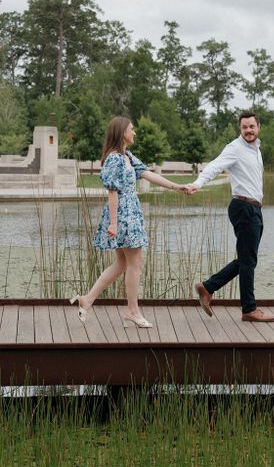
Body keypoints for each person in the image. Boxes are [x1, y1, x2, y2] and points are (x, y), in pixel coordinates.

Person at [70, 116, 188, 328]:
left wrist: (176, 187)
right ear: (121, 132)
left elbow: (148, 174)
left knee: (122, 264)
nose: (134, 133)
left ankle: (87, 299)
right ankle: (132, 311)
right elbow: (112, 192)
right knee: (135, 264)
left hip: (130, 212)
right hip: (124, 215)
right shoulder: (115, 159)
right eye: (131, 129)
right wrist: (114, 223)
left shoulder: (128, 156)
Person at [184, 111, 274, 322]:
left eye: (252, 126)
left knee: (246, 259)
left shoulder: (256, 149)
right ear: (240, 129)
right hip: (243, 207)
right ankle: (249, 309)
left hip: (253, 208)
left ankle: (207, 287)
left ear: (258, 127)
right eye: (244, 127)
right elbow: (215, 166)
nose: (248, 130)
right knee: (248, 261)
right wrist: (197, 184)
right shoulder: (235, 148)